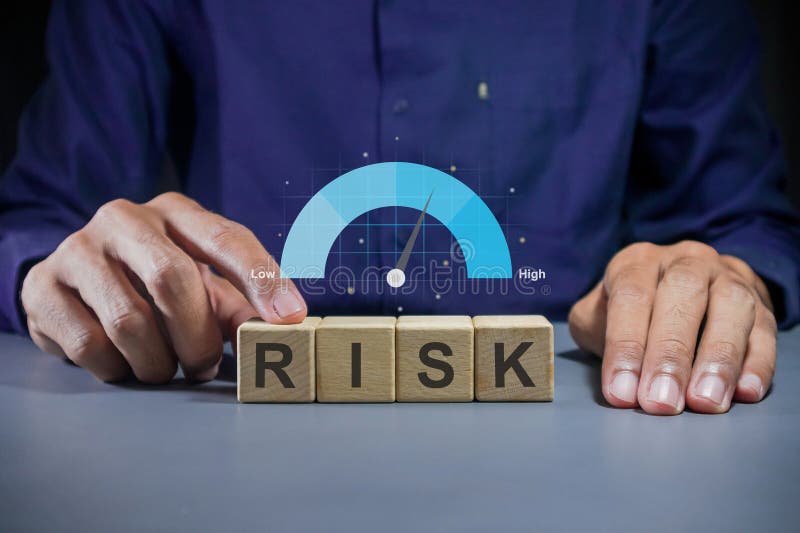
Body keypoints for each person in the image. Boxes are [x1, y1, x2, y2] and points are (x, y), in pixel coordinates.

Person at [1, 1, 798, 415]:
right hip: (228, 387)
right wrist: (58, 271)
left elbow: (746, 222)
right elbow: (43, 218)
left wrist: (722, 276)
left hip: (571, 398)